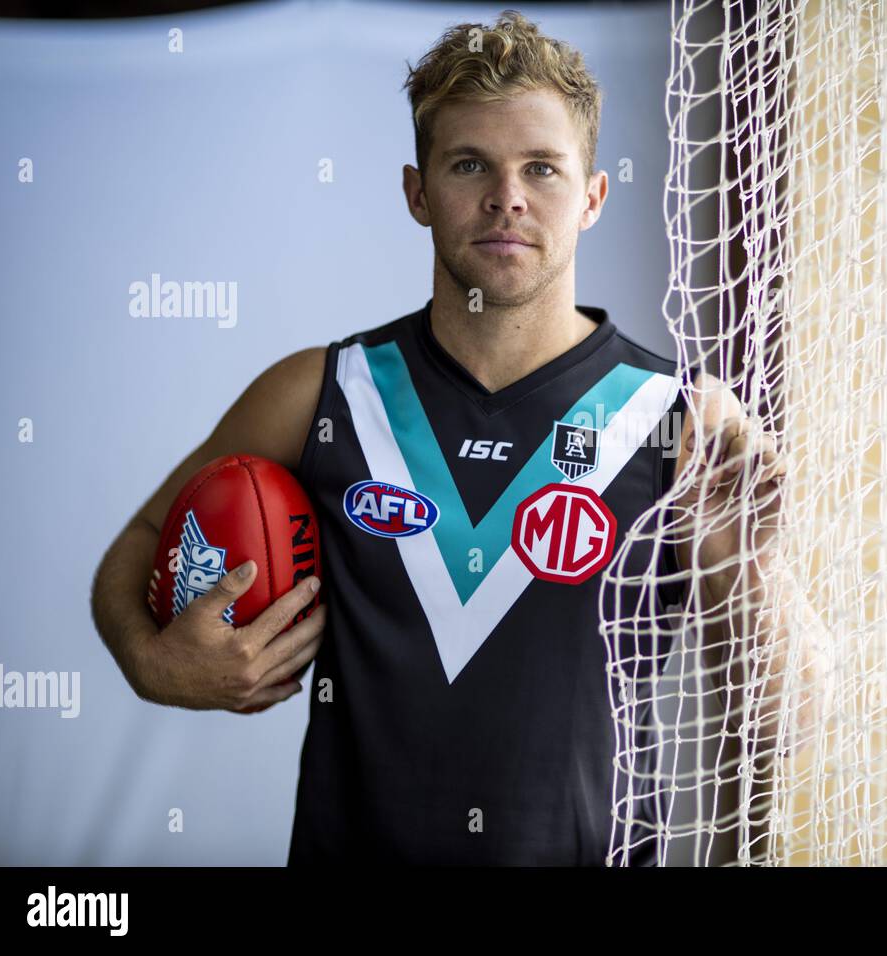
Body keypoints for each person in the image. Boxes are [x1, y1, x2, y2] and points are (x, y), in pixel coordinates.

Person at [90, 10, 812, 866]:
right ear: (418, 191)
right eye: (471, 164)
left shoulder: (680, 417)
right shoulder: (323, 392)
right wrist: (154, 664)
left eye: (541, 168)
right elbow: (136, 545)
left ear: (591, 197)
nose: (507, 196)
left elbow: (789, 722)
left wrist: (756, 574)